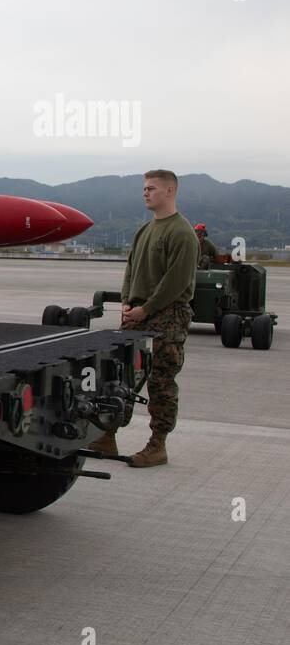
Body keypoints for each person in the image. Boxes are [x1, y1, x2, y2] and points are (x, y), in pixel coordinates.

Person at [87, 170, 198, 468]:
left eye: (152, 188)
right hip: (136, 316)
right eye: (145, 188)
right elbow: (131, 270)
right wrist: (126, 301)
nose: (145, 193)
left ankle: (157, 445)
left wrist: (146, 309)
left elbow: (176, 282)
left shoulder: (182, 233)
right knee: (120, 380)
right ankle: (107, 435)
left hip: (167, 318)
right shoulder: (145, 230)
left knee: (161, 383)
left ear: (170, 191)